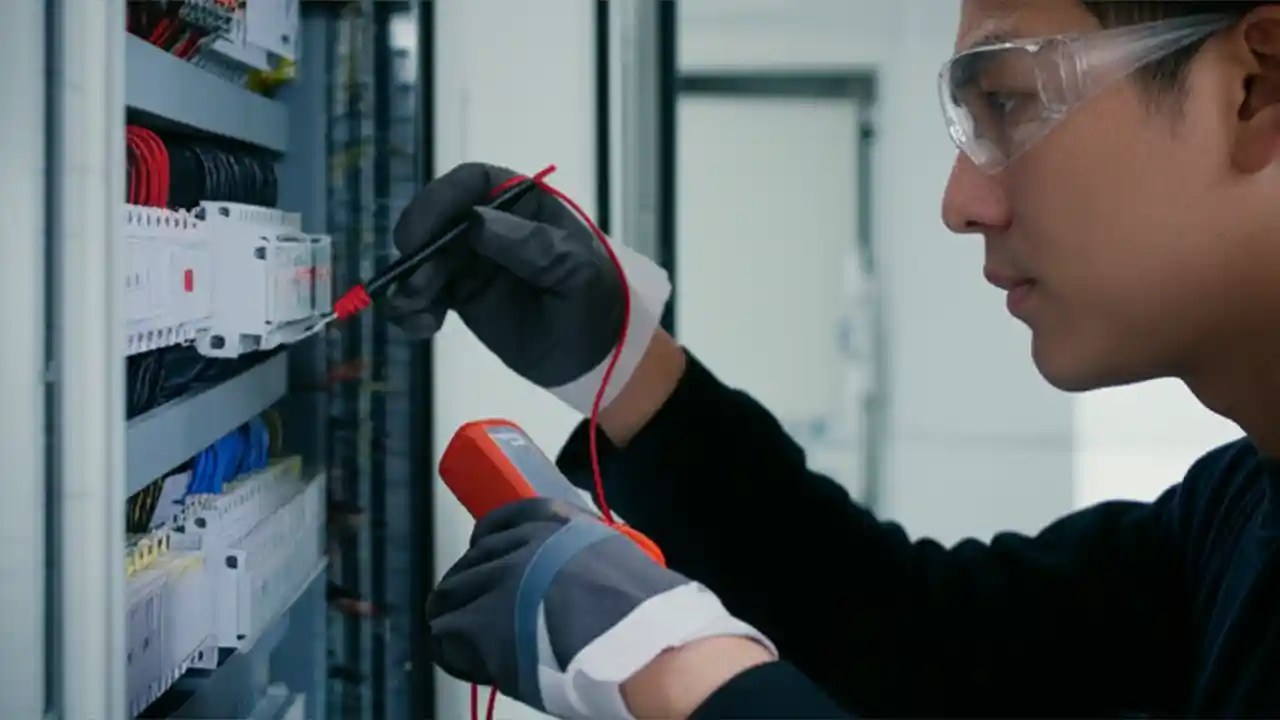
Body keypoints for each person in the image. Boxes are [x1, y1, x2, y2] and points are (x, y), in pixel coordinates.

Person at [389, 0, 1280, 717]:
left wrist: (678, 675)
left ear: (1257, 84)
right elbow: (919, 646)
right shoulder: (1240, 510)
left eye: (1007, 101)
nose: (961, 203)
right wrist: (627, 367)